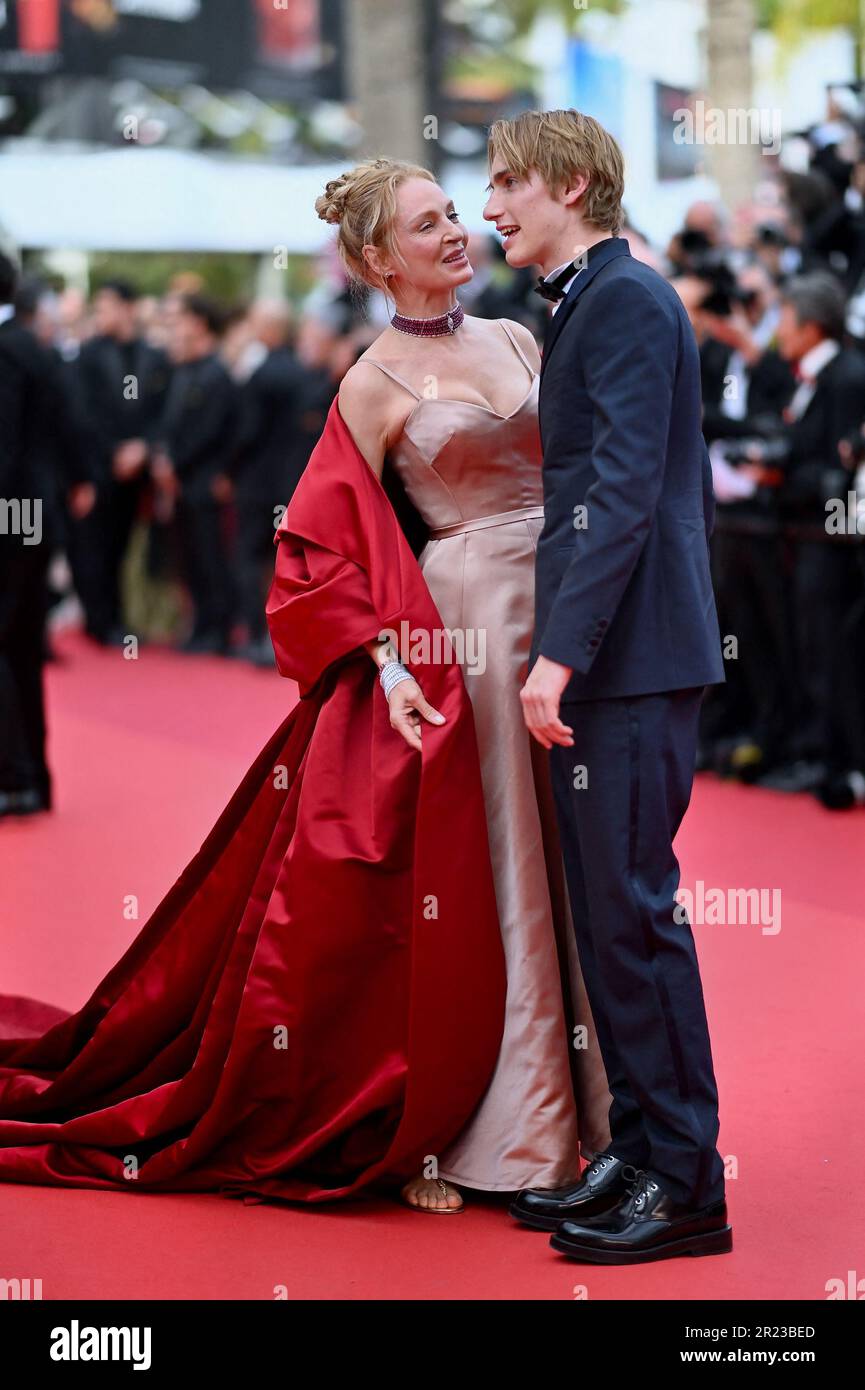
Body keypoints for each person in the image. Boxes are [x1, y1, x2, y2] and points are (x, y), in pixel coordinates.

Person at [0, 161, 610, 1214]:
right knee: (498, 862)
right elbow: (315, 549)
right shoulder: (370, 381)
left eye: (456, 214)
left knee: (574, 860)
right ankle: (496, 1132)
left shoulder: (517, 340)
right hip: (459, 627)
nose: (458, 234)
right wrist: (384, 661)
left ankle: (596, 1114)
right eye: (430, 224)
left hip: (553, 615)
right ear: (378, 259)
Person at [484, 109, 732, 1263]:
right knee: (609, 919)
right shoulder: (593, 294)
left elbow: (624, 492)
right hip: (616, 654)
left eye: (507, 184)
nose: (491, 207)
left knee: (633, 914)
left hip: (625, 659)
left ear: (573, 185)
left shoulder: (625, 299)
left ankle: (687, 1186)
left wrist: (560, 653)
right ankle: (638, 1151)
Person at [0, 254, 94, 820]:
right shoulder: (33, 345)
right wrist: (80, 480)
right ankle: (31, 777)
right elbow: (73, 422)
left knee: (5, 644)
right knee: (20, 646)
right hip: (31, 518)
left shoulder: (7, 349)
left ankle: (13, 779)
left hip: (9, 518)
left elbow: (3, 449)